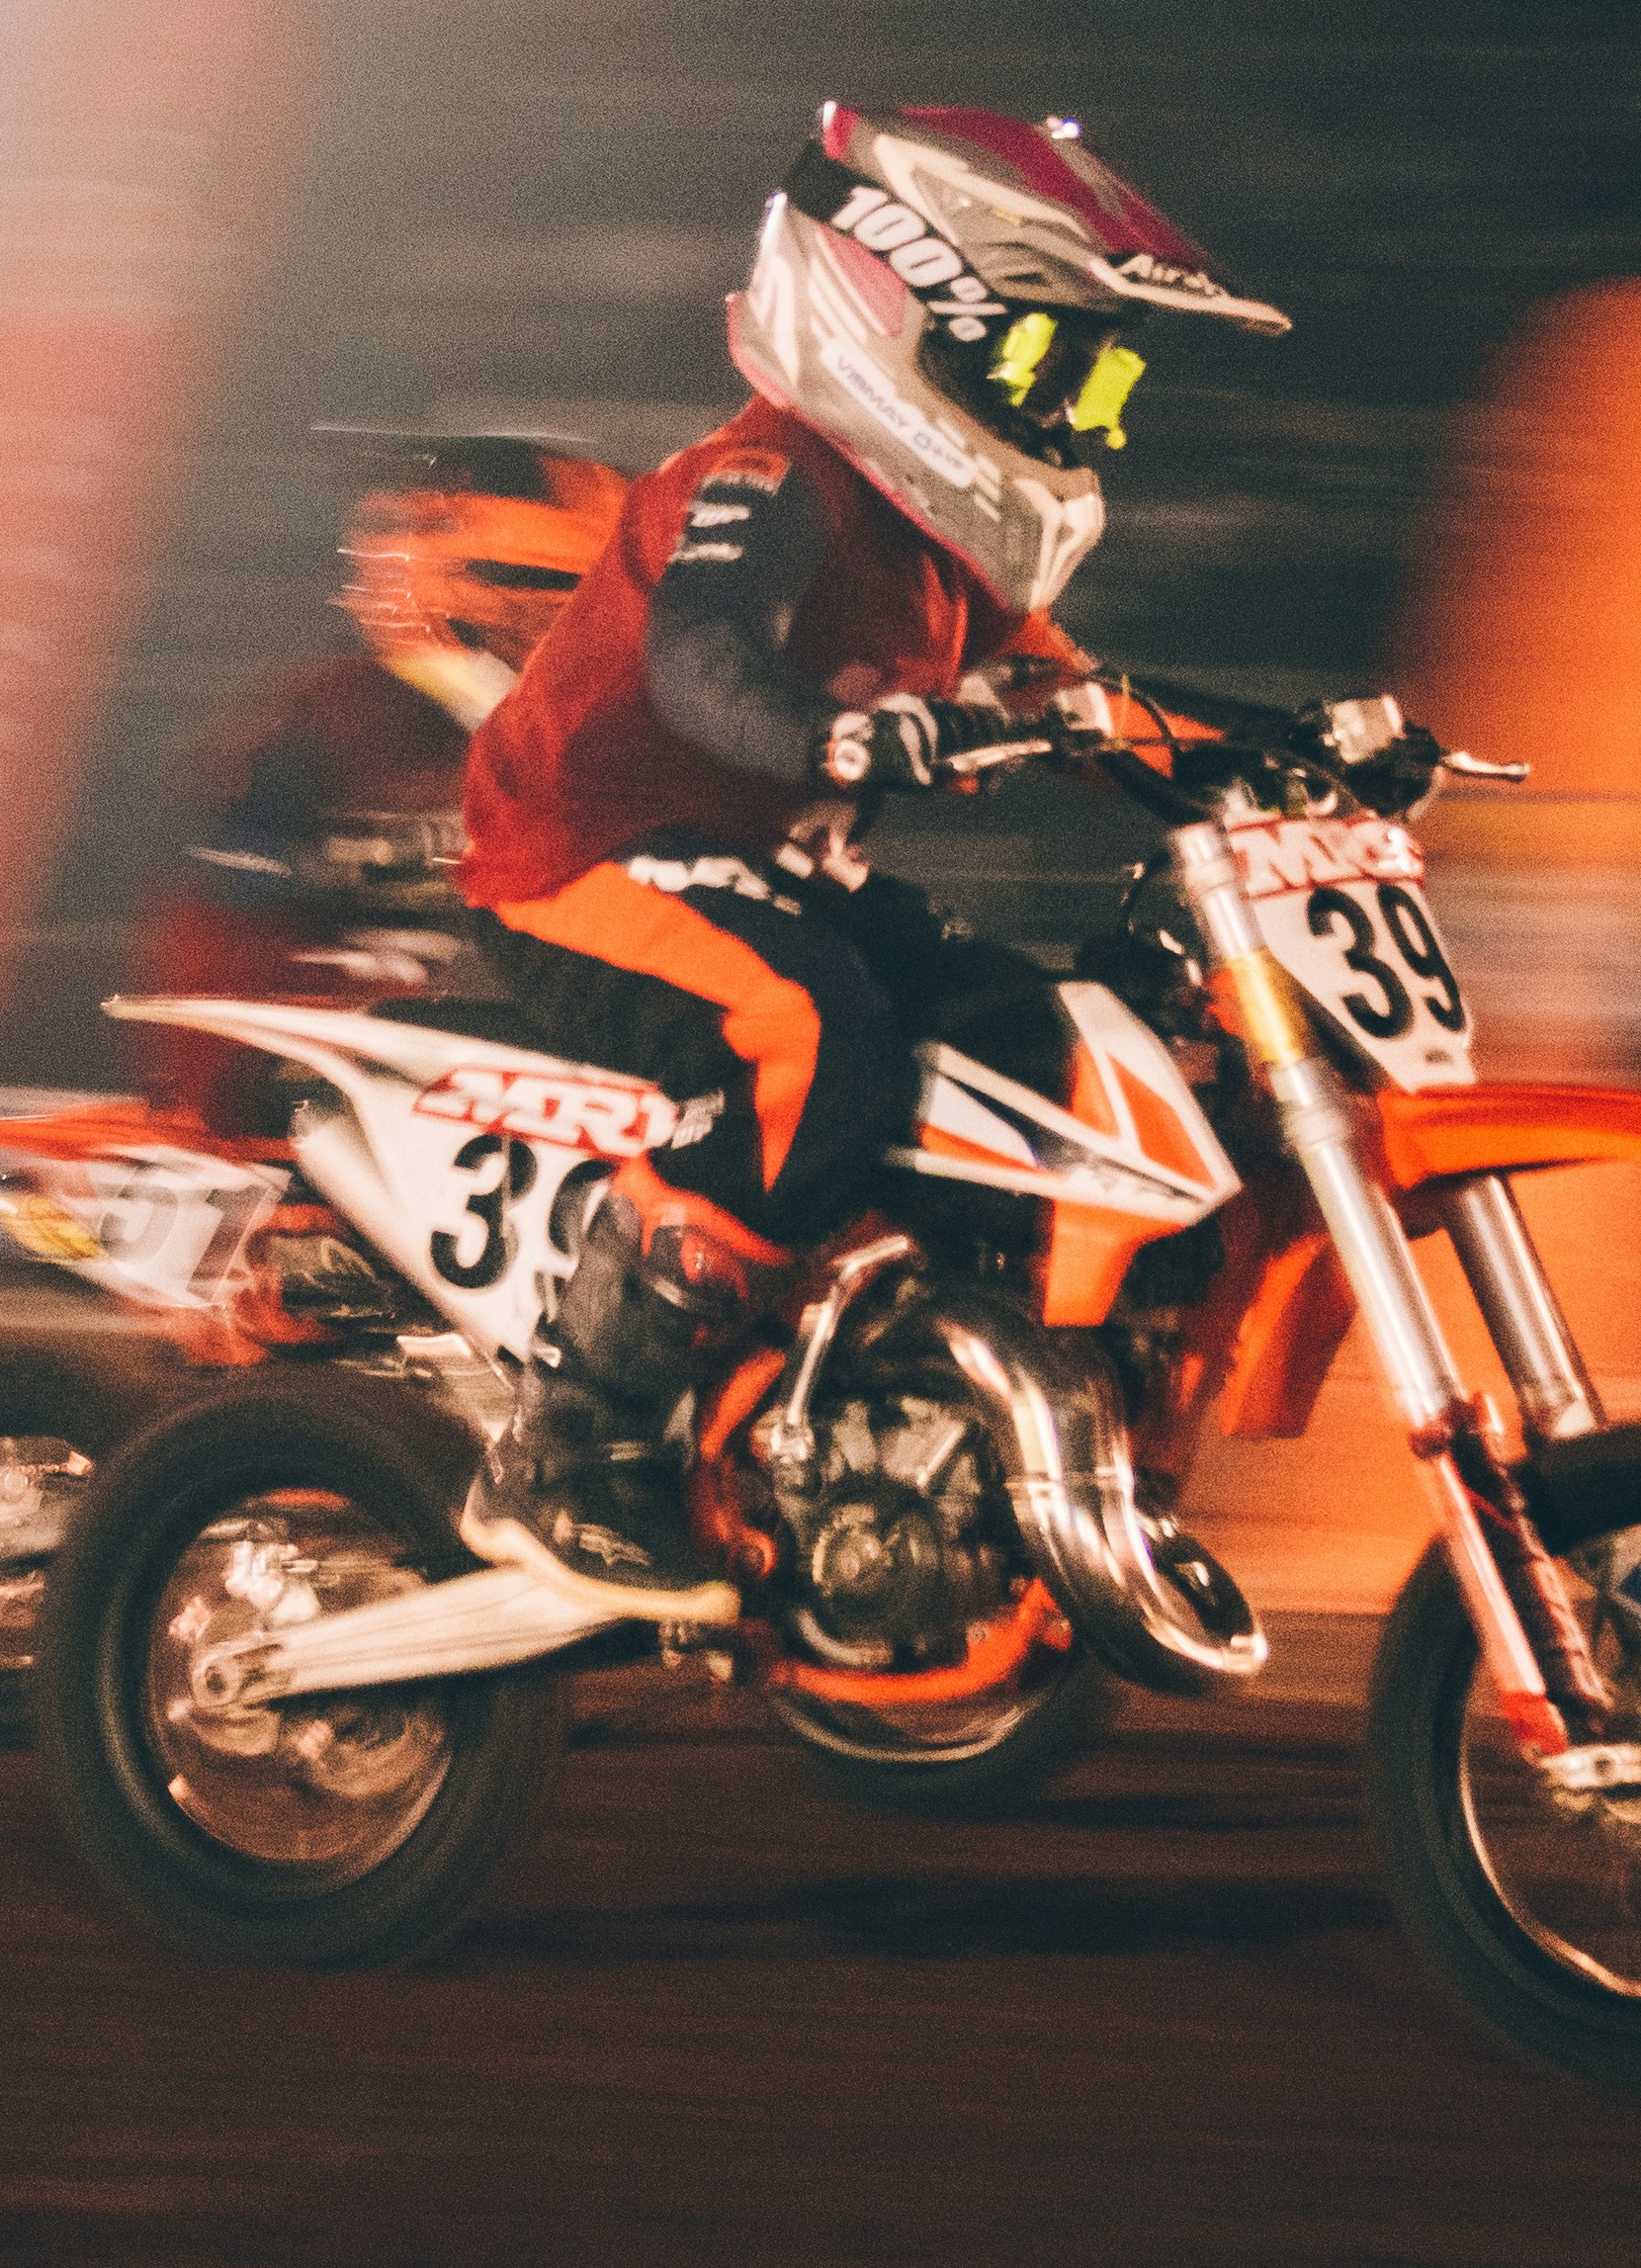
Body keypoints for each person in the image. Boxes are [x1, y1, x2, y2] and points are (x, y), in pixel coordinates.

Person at [453, 103, 1287, 1596]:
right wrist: (837, 736)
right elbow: (705, 661)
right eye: (1043, 361)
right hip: (586, 854)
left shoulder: (941, 553)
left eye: (1097, 376)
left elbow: (1095, 712)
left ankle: (906, 1409)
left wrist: (1288, 762)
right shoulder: (766, 476)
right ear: (901, 309)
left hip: (766, 876)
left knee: (1031, 1032)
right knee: (805, 1030)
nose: (1078, 412)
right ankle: (577, 1441)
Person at [129, 437, 630, 1135]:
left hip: (565, 1084)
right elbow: (220, 931)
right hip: (361, 1095)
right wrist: (253, 1089)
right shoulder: (328, 722)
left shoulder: (629, 728)